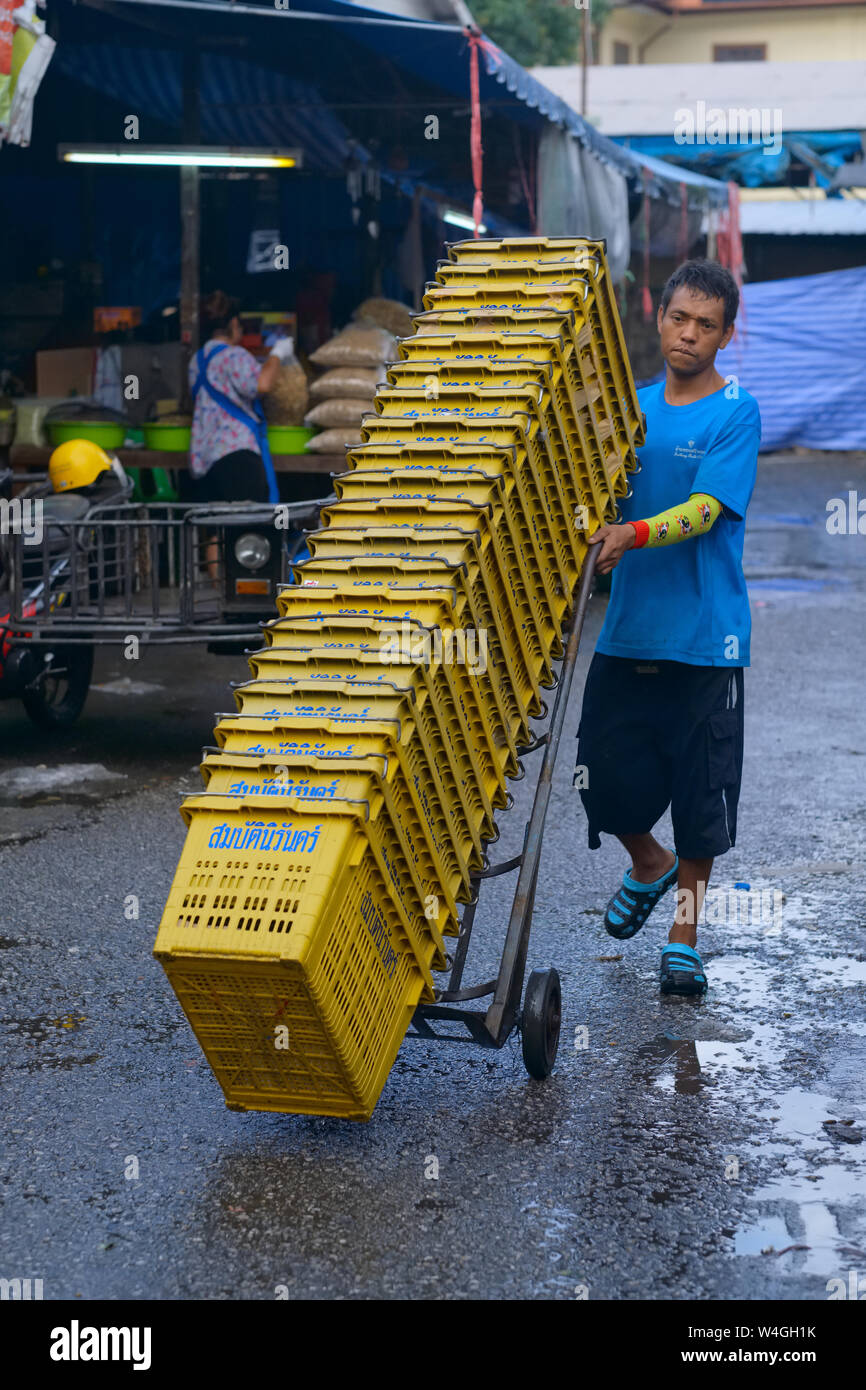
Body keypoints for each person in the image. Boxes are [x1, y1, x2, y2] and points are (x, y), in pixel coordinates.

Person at [576, 259, 761, 998]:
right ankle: (646, 862)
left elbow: (708, 508)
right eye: (680, 318)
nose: (689, 334)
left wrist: (633, 534)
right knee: (600, 775)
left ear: (725, 334)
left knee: (701, 796)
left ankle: (684, 937)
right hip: (628, 631)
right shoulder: (632, 410)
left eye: (706, 325)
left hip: (706, 638)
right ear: (659, 316)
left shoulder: (735, 412)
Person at [188, 290, 295, 504]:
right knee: (250, 530)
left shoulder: (196, 360)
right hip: (237, 455)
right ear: (233, 323)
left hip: (204, 458)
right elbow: (262, 384)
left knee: (216, 527)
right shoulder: (234, 355)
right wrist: (278, 353)